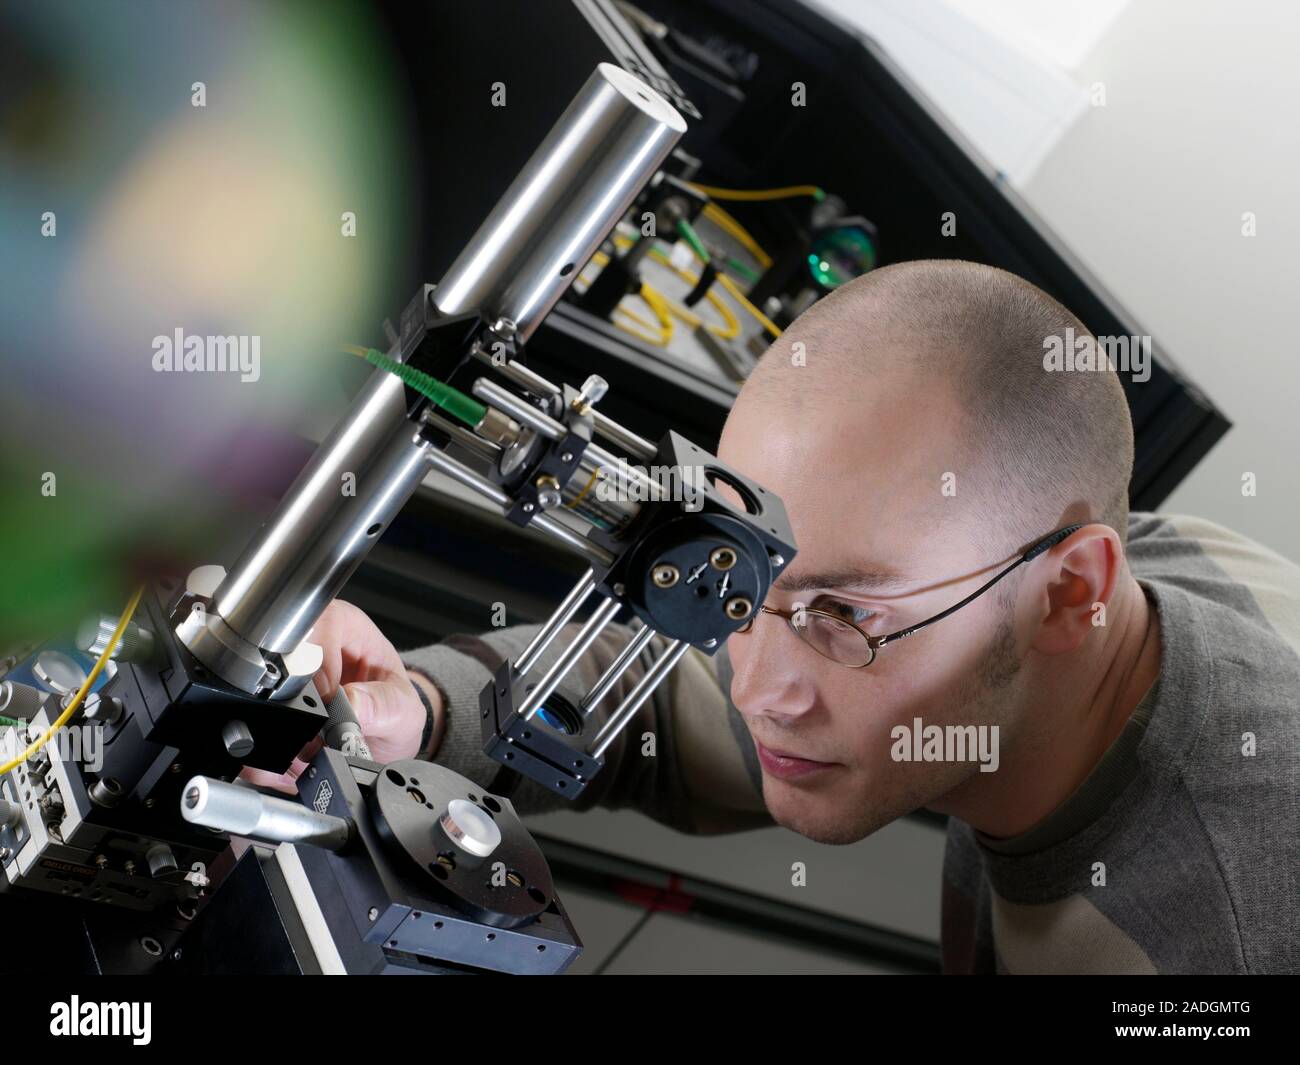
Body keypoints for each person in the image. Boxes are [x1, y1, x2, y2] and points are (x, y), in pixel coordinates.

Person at [251, 260, 1300, 973]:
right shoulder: (1123, 564)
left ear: (1071, 593)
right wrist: (425, 710)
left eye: (843, 612)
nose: (759, 688)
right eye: (749, 582)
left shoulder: (1228, 937)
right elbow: (682, 711)